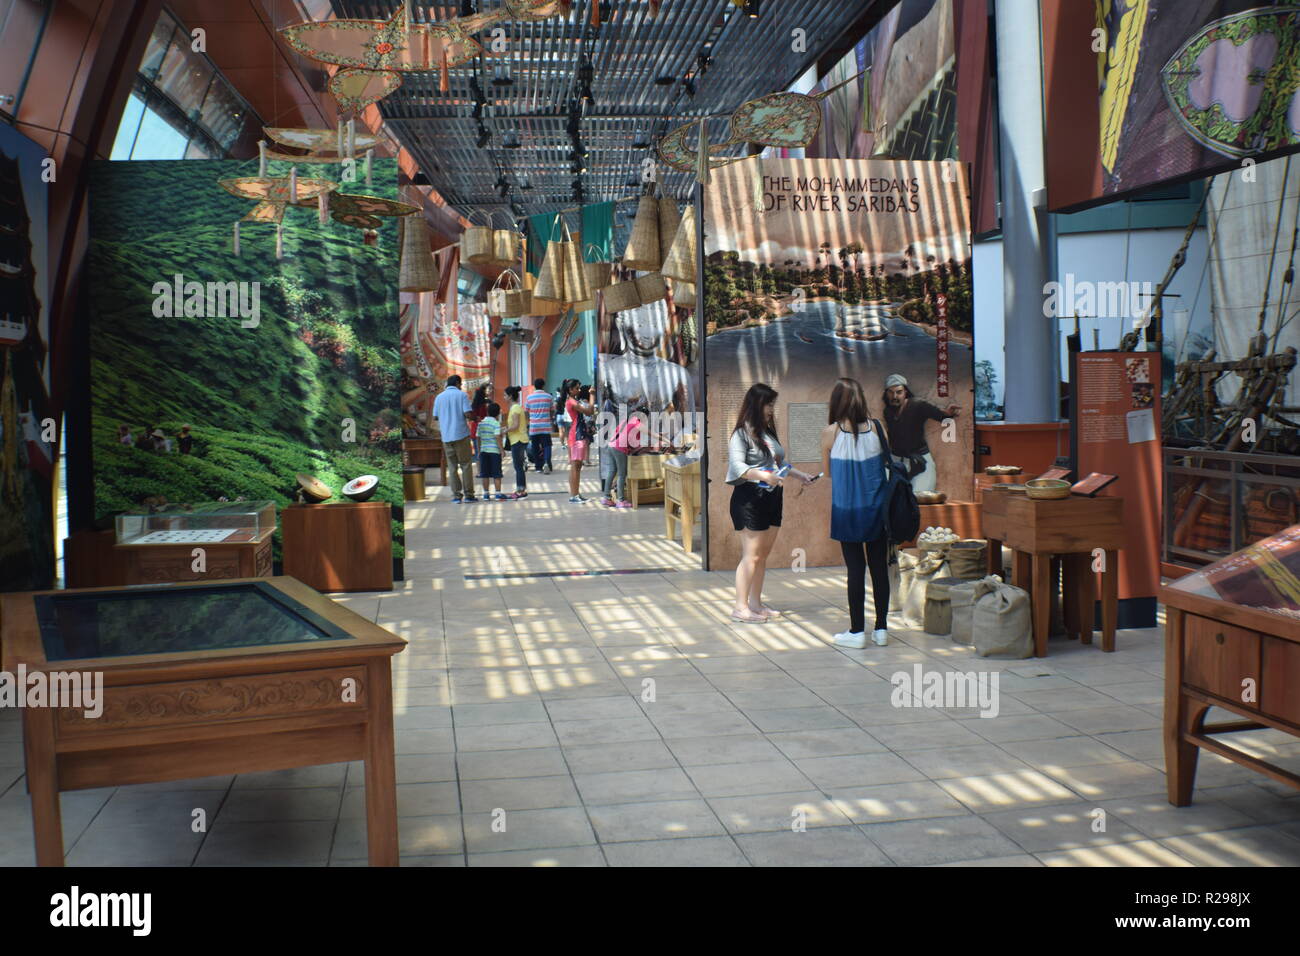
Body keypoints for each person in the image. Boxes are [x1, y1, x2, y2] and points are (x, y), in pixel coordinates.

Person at [725, 383, 813, 623]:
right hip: (749, 500)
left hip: (773, 497)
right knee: (751, 556)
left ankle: (755, 603)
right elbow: (738, 468)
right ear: (756, 404)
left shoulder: (766, 433)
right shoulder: (740, 434)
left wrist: (799, 475)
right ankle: (740, 606)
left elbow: (779, 463)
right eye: (769, 404)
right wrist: (764, 476)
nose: (772, 409)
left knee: (762, 556)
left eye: (772, 404)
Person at [822, 377, 891, 649]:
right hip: (876, 509)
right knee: (879, 569)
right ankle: (882, 629)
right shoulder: (877, 427)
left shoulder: (830, 433)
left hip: (845, 510)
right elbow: (887, 463)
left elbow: (828, 473)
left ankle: (856, 632)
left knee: (855, 569)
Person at [881, 373, 960, 494]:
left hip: (921, 461)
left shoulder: (918, 405)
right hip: (897, 462)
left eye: (898, 392)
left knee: (920, 500)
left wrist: (948, 413)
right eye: (891, 392)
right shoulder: (888, 412)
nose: (894, 396)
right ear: (886, 394)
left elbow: (940, 415)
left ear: (905, 392)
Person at [432, 374, 478, 502]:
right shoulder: (462, 395)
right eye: (461, 384)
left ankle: (456, 496)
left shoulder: (439, 397)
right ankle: (469, 495)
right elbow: (467, 413)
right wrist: (475, 418)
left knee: (452, 466)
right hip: (461, 435)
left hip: (446, 437)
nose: (461, 386)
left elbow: (435, 416)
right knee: (466, 465)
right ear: (458, 383)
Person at [565, 382, 596, 503]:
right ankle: (574, 495)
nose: (579, 390)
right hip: (577, 435)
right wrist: (592, 396)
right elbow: (589, 411)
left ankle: (575, 494)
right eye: (576, 388)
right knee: (576, 466)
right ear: (570, 389)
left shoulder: (572, 401)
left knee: (576, 466)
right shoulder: (572, 402)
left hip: (577, 434)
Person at [524, 377, 555, 473]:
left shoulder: (529, 397)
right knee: (547, 445)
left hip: (534, 426)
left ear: (534, 386)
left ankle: (538, 467)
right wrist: (549, 418)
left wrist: (530, 420)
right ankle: (546, 462)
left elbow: (526, 412)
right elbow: (552, 410)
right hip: (545, 426)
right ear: (543, 386)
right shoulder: (548, 397)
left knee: (535, 446)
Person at [503, 385, 529, 498]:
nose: (503, 397)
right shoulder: (516, 408)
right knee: (519, 466)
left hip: (517, 440)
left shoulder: (515, 408)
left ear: (510, 396)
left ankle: (521, 490)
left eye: (505, 395)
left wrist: (504, 430)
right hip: (518, 439)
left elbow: (515, 425)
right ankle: (521, 489)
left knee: (518, 466)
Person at [477, 402, 507, 500]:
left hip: (484, 451)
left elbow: (478, 437)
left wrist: (479, 450)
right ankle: (498, 494)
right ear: (498, 413)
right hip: (494, 452)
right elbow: (497, 436)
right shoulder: (496, 423)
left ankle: (486, 494)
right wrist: (501, 450)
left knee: (484, 473)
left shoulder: (481, 423)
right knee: (496, 473)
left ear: (487, 412)